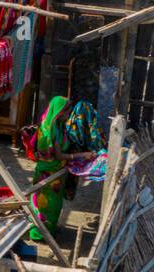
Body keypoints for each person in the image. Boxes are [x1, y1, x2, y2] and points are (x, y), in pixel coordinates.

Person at [29, 97, 103, 242]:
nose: (68, 114)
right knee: (46, 205)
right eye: (66, 111)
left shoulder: (57, 125)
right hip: (48, 174)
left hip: (56, 173)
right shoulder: (51, 131)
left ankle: (48, 232)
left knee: (54, 204)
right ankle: (39, 235)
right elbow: (59, 155)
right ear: (59, 112)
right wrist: (83, 154)